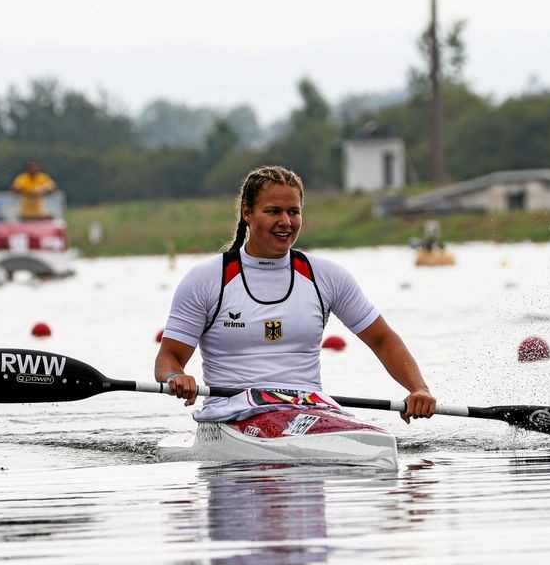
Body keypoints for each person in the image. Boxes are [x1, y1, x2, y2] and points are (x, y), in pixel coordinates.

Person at [155, 165, 437, 425]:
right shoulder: (206, 280)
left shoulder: (326, 276)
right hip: (232, 415)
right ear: (247, 213)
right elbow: (168, 357)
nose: (286, 222)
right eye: (273, 211)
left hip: (310, 409)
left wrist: (418, 389)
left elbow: (382, 339)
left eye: (293, 211)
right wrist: (176, 376)